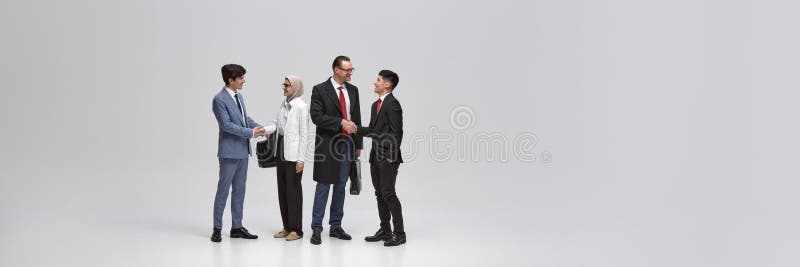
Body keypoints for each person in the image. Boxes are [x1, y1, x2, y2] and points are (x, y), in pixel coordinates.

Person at [308, 55, 364, 245]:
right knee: (323, 185)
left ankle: (336, 226)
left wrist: (358, 145)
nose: (350, 72)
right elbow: (316, 117)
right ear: (336, 70)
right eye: (347, 69)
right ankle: (316, 228)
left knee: (341, 186)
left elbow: (356, 118)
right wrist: (340, 122)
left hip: (347, 144)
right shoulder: (319, 90)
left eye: (351, 69)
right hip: (327, 145)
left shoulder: (354, 90)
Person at [351, 70, 406, 246]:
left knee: (389, 194)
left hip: (388, 157)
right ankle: (385, 230)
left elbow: (397, 132)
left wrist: (391, 155)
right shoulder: (376, 105)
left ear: (387, 84)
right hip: (375, 156)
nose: (375, 82)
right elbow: (374, 130)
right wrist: (355, 128)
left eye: (378, 80)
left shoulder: (393, 104)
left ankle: (400, 234)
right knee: (379, 194)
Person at [210, 64, 264, 242]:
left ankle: (237, 227)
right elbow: (226, 125)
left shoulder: (238, 96)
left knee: (240, 191)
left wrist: (258, 127)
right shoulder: (219, 99)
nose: (244, 81)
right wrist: (250, 133)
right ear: (230, 80)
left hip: (243, 152)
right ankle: (217, 228)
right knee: (223, 191)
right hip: (229, 152)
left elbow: (243, 119)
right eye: (241, 78)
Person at [264, 76, 310, 241]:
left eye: (287, 85)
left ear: (295, 87)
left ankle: (296, 230)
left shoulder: (301, 107)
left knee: (293, 191)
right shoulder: (284, 104)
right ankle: (287, 226)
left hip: (294, 152)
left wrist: (301, 159)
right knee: (282, 189)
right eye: (283, 84)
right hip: (281, 147)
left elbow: (304, 135)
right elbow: (277, 125)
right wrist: (264, 129)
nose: (284, 87)